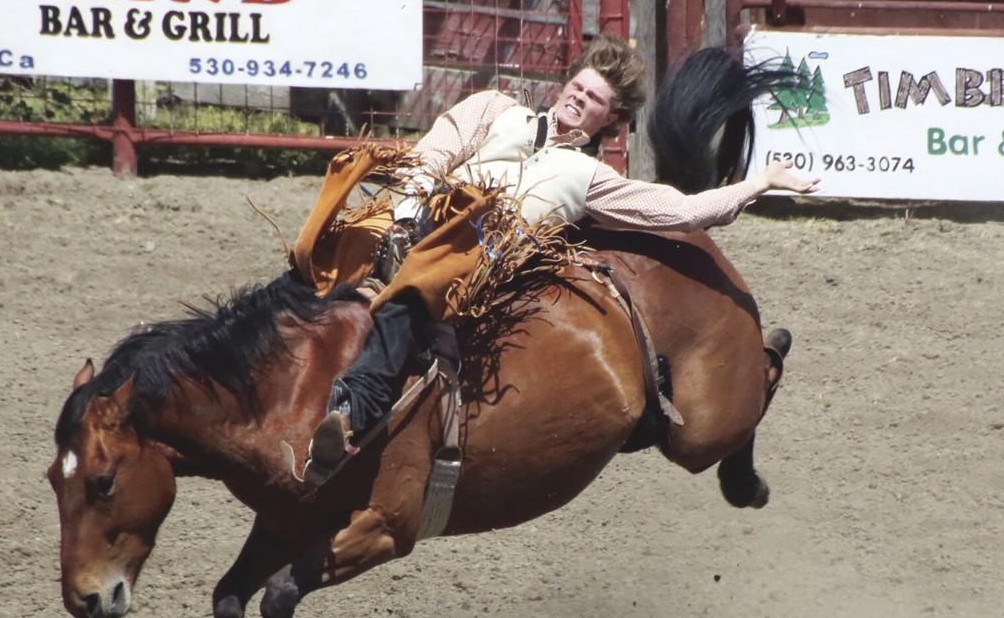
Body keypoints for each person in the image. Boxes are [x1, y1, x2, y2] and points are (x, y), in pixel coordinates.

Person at [303, 35, 819, 485]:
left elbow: (680, 211)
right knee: (316, 255)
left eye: (594, 99)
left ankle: (353, 416)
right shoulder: (494, 110)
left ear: (610, 120)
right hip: (415, 218)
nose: (579, 97)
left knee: (411, 297)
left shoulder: (590, 179)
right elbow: (435, 151)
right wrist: (407, 209)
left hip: (471, 260)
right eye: (578, 86)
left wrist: (759, 183)